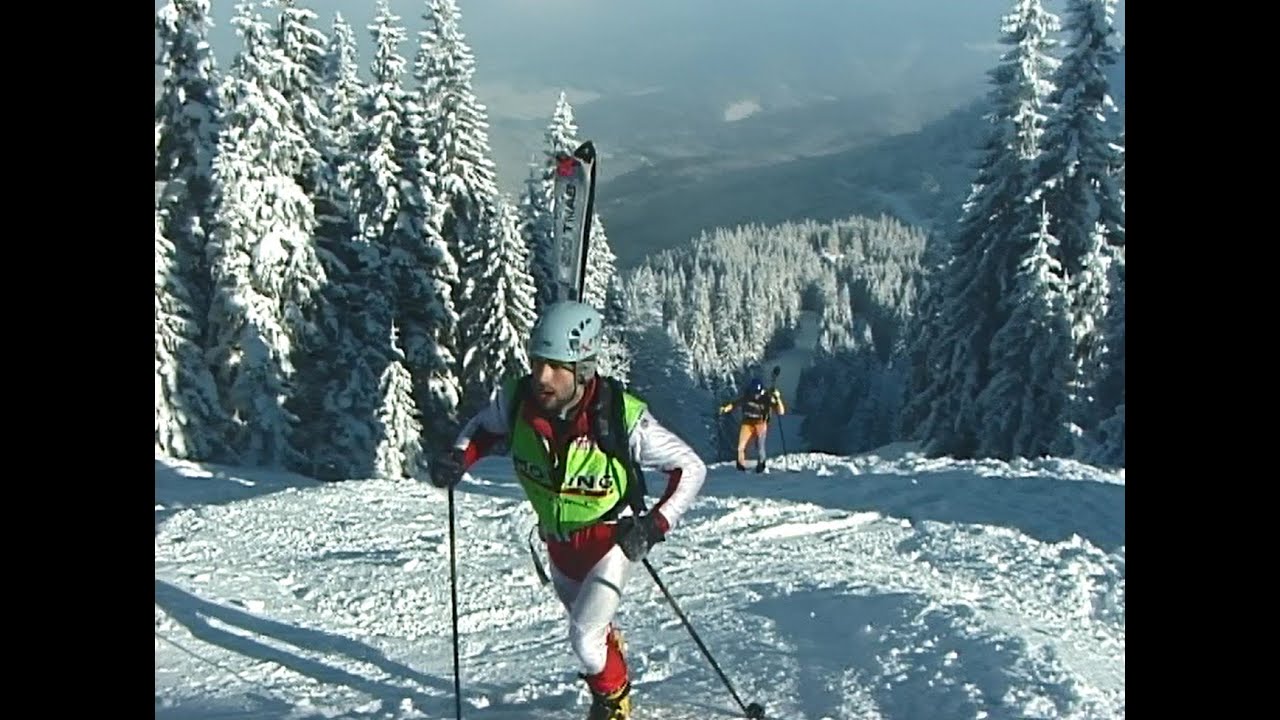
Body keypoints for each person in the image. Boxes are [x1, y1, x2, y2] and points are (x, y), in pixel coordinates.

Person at [430, 301, 707, 720]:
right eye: (538, 361)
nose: (542, 376)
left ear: (583, 369)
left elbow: (690, 467)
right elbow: (484, 429)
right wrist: (458, 458)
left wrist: (654, 525)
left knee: (584, 638)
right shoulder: (517, 402)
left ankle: (614, 702)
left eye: (557, 366)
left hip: (609, 544)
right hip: (559, 546)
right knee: (591, 630)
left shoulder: (622, 417)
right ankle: (607, 657)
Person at [718, 376, 785, 473]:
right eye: (754, 393)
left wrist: (778, 399)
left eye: (758, 393)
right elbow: (735, 404)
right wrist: (725, 409)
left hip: (760, 423)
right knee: (740, 446)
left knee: (760, 446)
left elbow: (781, 411)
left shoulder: (766, 399)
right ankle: (740, 466)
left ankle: (761, 465)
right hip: (747, 423)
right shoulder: (747, 397)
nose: (755, 396)